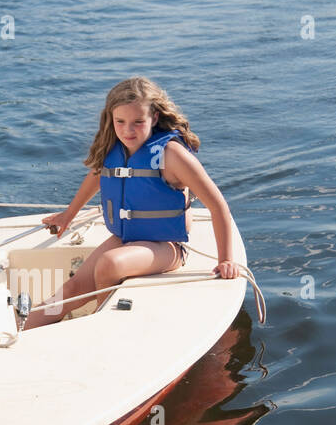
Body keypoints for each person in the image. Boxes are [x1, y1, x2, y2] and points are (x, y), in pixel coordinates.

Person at [22, 76, 239, 330]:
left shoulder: (172, 155)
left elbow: (219, 206)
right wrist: (68, 215)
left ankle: (102, 328)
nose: (128, 130)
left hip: (166, 247)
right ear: (110, 119)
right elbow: (96, 178)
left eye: (138, 122)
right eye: (120, 122)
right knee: (72, 289)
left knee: (109, 264)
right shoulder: (114, 149)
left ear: (155, 118)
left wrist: (226, 259)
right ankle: (16, 331)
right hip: (126, 238)